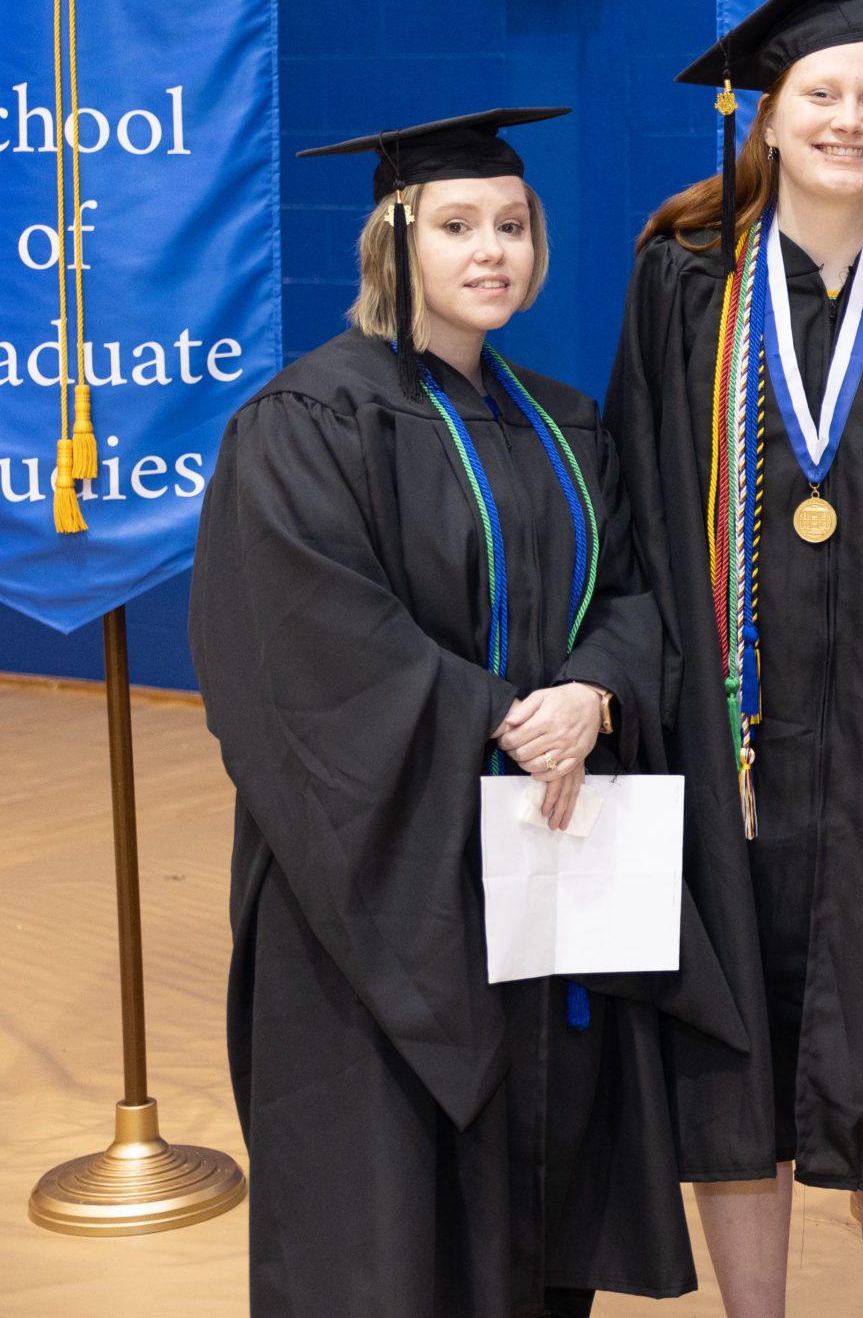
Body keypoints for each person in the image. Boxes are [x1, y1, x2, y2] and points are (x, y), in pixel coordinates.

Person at [193, 108, 707, 1316]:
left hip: (544, 855)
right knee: (383, 1204)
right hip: (377, 872)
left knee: (542, 1173)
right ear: (393, 244)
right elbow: (300, 642)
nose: (494, 251)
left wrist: (592, 692)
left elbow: (638, 595)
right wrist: (494, 712)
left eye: (514, 227)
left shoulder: (566, 421)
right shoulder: (308, 420)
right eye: (458, 226)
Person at [605, 0, 863, 1318]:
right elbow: (637, 508)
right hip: (733, 747)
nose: (850, 119)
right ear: (766, 117)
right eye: (821, 93)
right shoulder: (682, 284)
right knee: (738, 1053)